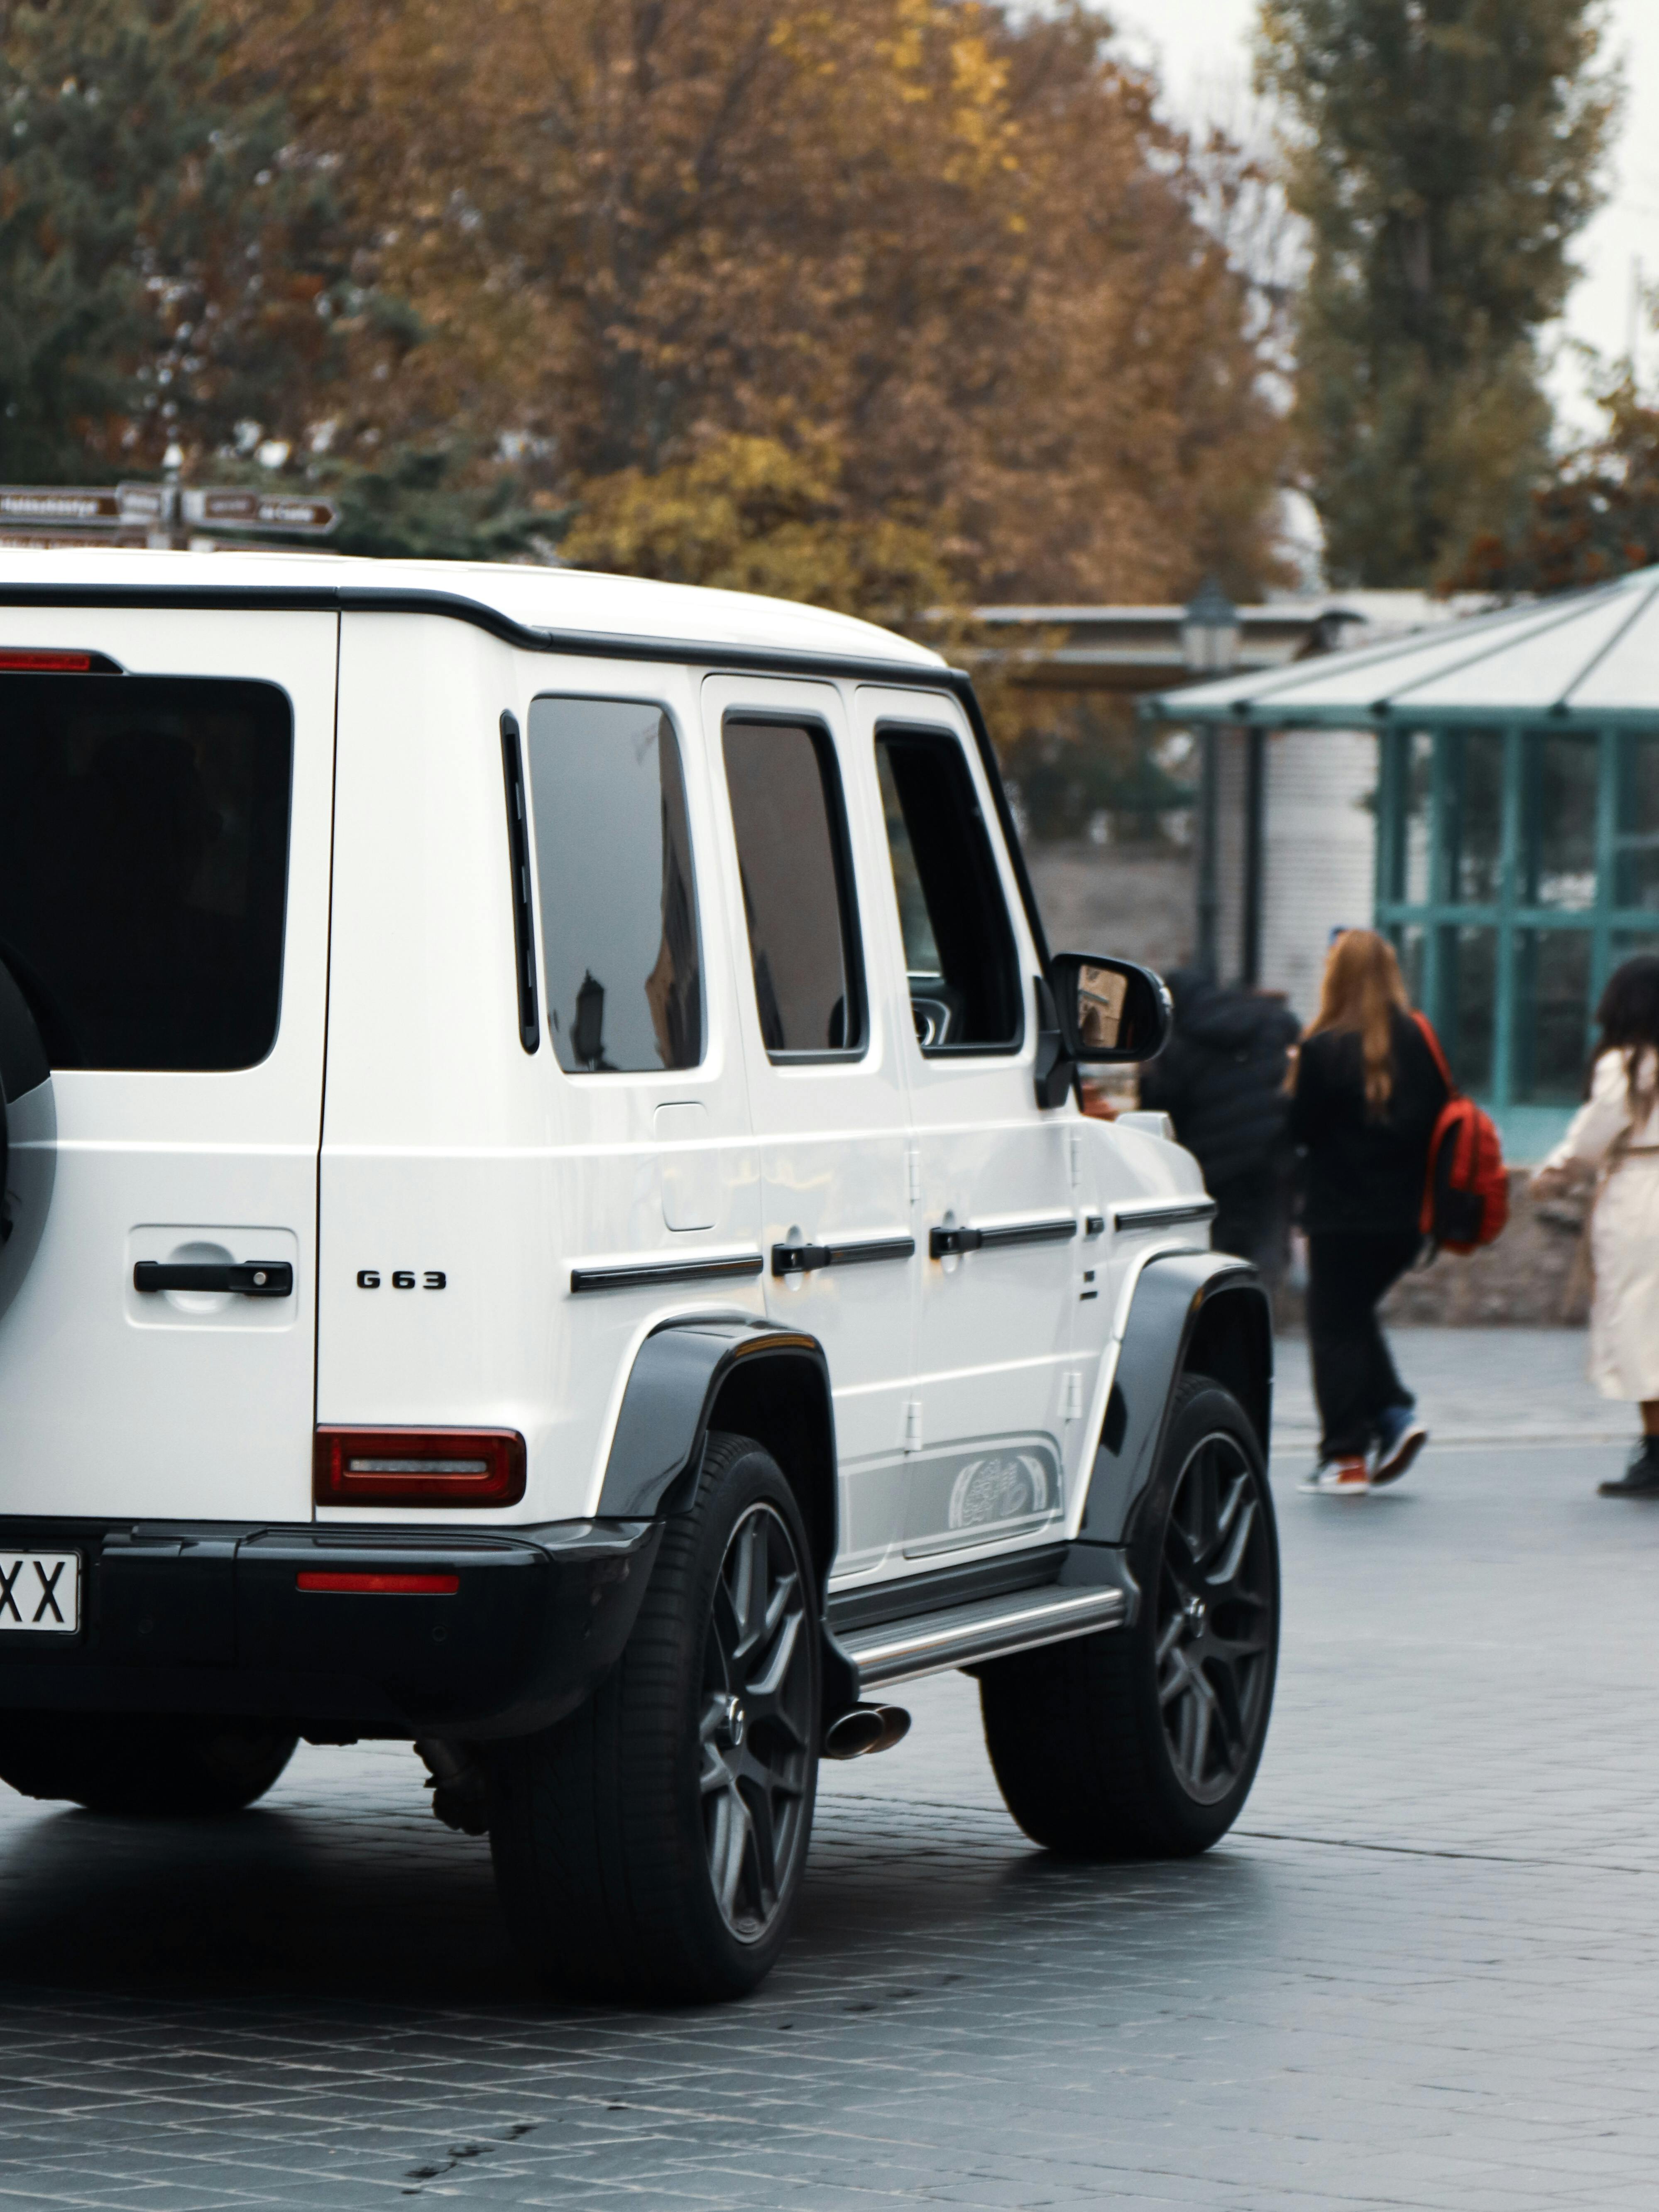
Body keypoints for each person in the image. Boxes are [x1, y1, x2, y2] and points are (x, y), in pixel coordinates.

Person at [1287, 930, 1448, 1494]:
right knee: (1352, 1319)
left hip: (1339, 1218)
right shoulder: (1420, 1041)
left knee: (1333, 1329)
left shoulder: (1322, 1048)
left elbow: (1297, 1130)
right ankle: (1396, 1415)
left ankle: (1346, 1456)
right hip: (1404, 1221)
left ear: (1337, 976)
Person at [1532, 956, 1659, 1498]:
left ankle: (1656, 1451)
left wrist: (1550, 1177)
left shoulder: (1627, 1065)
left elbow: (1590, 1139)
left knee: (1642, 1324)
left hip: (1642, 1196)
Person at [1137, 968, 1302, 1294]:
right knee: (1267, 1233)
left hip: (1216, 1163)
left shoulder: (1181, 1043)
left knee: (1223, 1242)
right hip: (1272, 1151)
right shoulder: (1263, 1023)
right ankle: (1264, 1302)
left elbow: (1167, 1109)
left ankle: (1230, 1308)